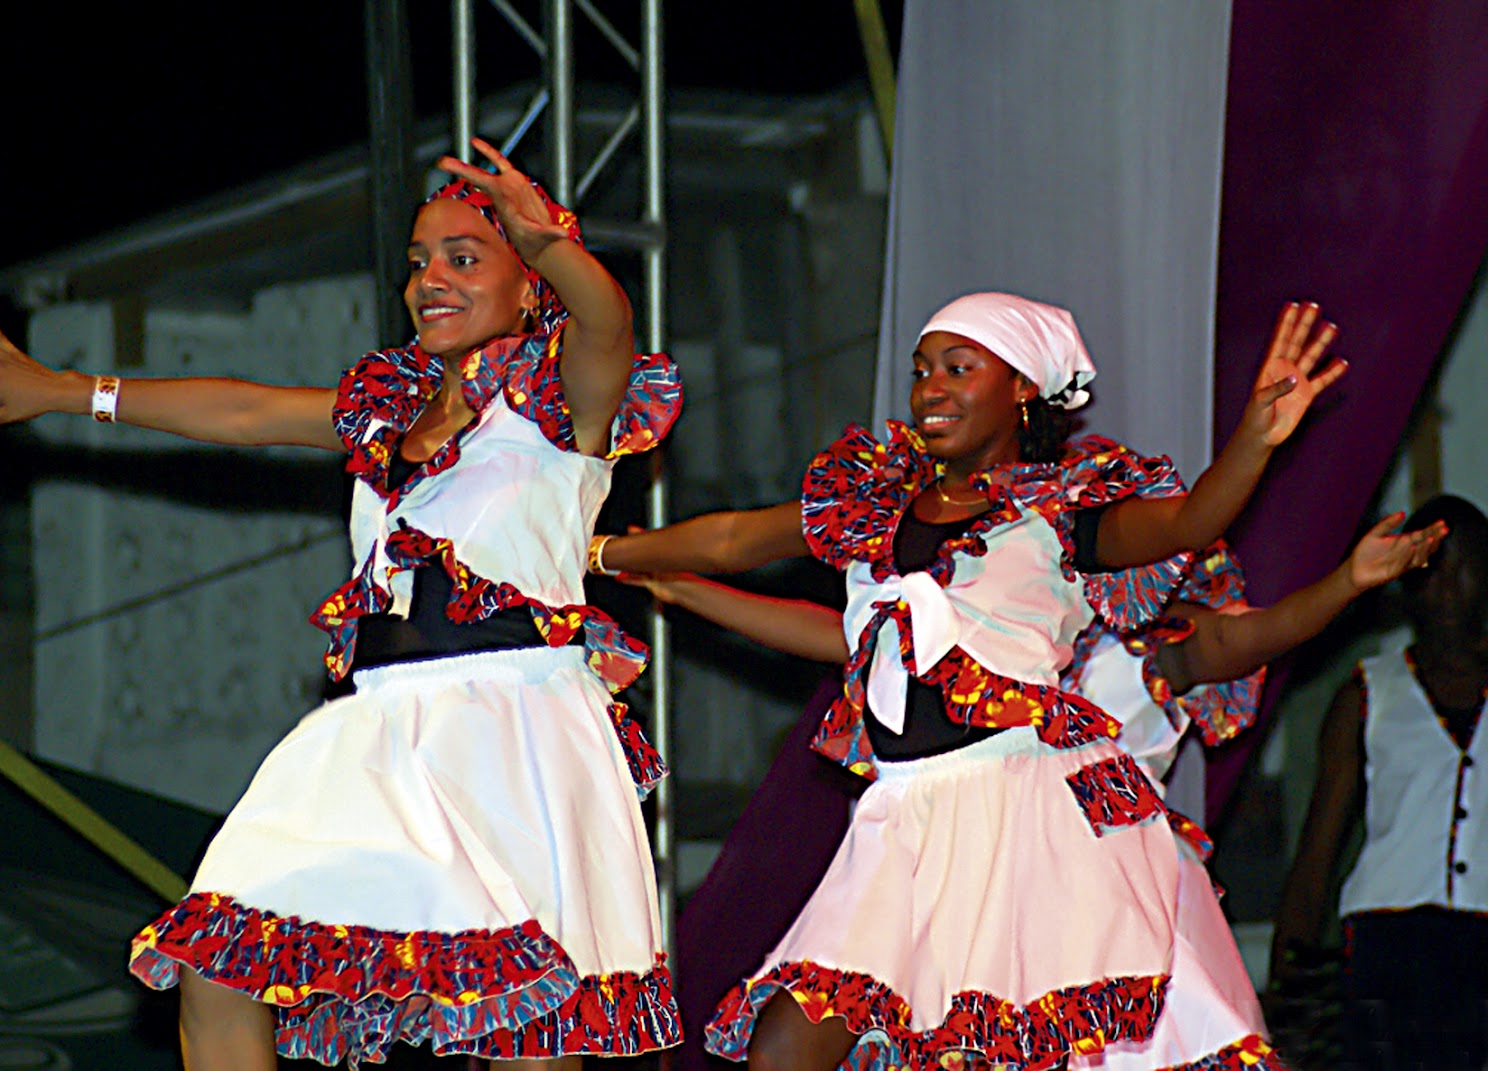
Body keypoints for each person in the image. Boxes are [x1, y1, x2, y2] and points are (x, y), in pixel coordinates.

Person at [0, 140, 683, 1070]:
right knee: (221, 962)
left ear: (529, 289)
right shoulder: (386, 409)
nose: (429, 280)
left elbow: (608, 322)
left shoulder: (562, 405)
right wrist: (73, 392)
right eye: (417, 263)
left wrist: (551, 236)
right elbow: (244, 412)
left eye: (463, 259)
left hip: (514, 734)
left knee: (528, 1038)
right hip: (378, 732)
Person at [592, 291, 1347, 1071]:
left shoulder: (1057, 511)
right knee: (786, 1047)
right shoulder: (875, 502)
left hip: (1017, 808)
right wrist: (601, 551)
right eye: (922, 371)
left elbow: (1187, 524)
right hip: (902, 809)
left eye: (960, 367)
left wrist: (1255, 441)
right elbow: (736, 540)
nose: (931, 389)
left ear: (1023, 386)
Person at [622, 514, 1443, 1071]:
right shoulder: (995, 627)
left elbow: (1246, 635)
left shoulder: (1144, 648)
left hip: (1098, 902)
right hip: (970, 873)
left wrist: (1347, 582)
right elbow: (847, 641)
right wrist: (685, 587)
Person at [1272, 495, 1488, 1071]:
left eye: (1462, 566)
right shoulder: (1369, 692)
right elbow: (1316, 859)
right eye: (1430, 568)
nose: (1446, 587)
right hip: (1387, 950)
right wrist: (1286, 1007)